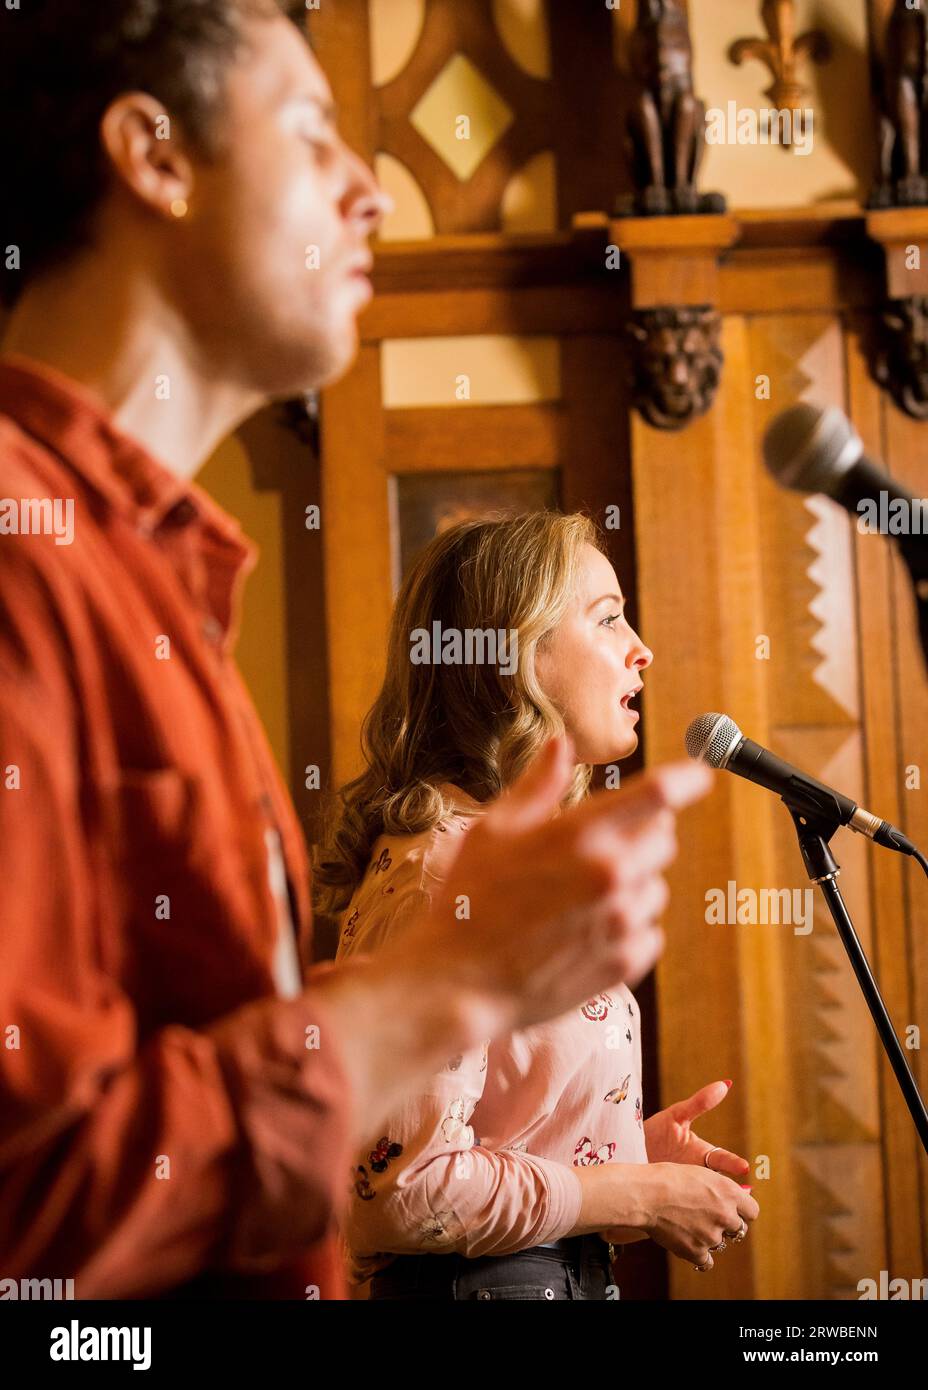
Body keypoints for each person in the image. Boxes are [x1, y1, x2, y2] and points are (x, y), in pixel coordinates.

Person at [0, 1, 712, 1299]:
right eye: (312, 130)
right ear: (154, 156)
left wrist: (577, 1142)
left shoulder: (161, 579)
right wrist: (442, 987)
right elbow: (33, 1199)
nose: (371, 191)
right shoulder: (17, 556)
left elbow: (191, 1088)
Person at [317, 514, 758, 1300]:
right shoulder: (441, 879)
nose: (641, 647)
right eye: (608, 616)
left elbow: (496, 1136)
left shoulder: (506, 869)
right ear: (514, 654)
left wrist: (623, 1155)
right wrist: (640, 1195)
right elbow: (397, 1196)